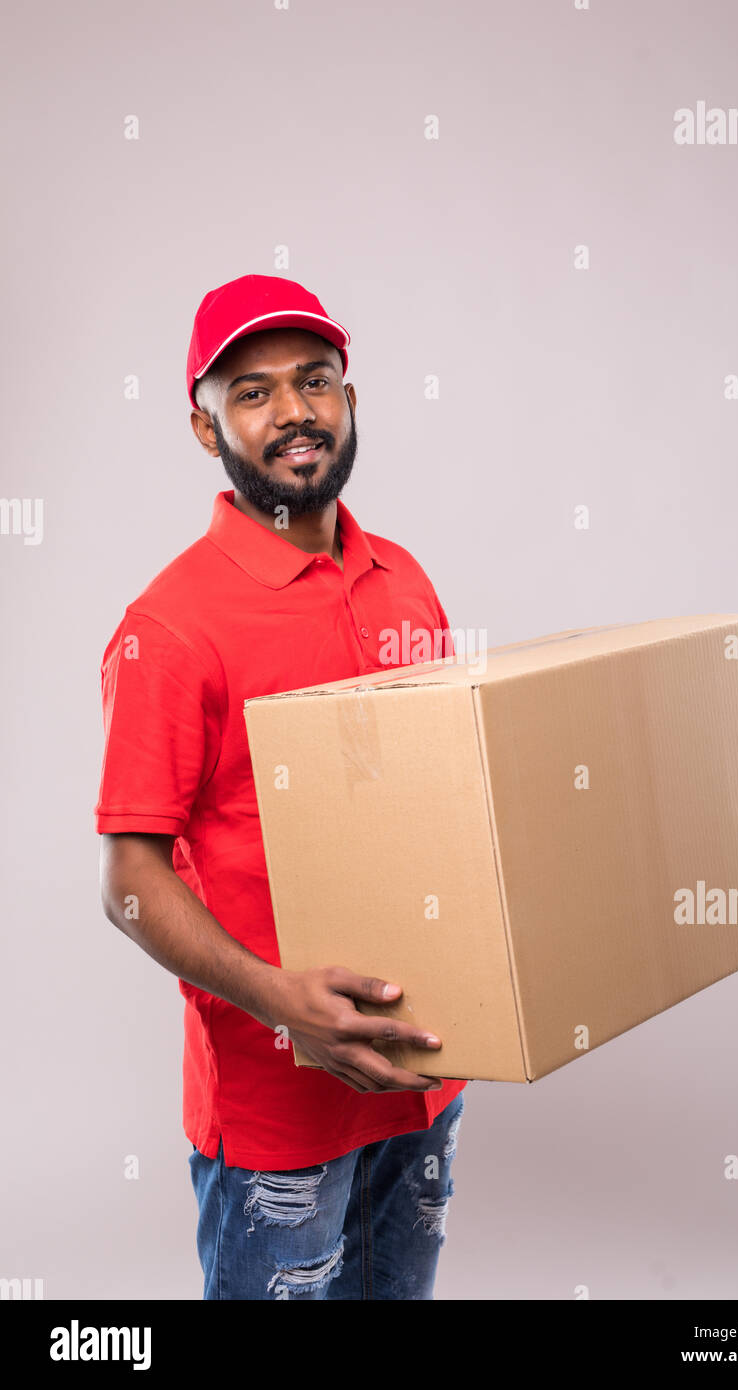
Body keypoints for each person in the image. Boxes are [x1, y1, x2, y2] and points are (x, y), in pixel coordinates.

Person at [95, 273, 467, 1300]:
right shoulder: (169, 625)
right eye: (251, 392)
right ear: (202, 424)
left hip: (425, 1082)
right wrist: (279, 1005)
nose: (293, 410)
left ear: (350, 400)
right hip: (274, 1120)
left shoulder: (403, 578)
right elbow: (128, 878)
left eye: (315, 381)